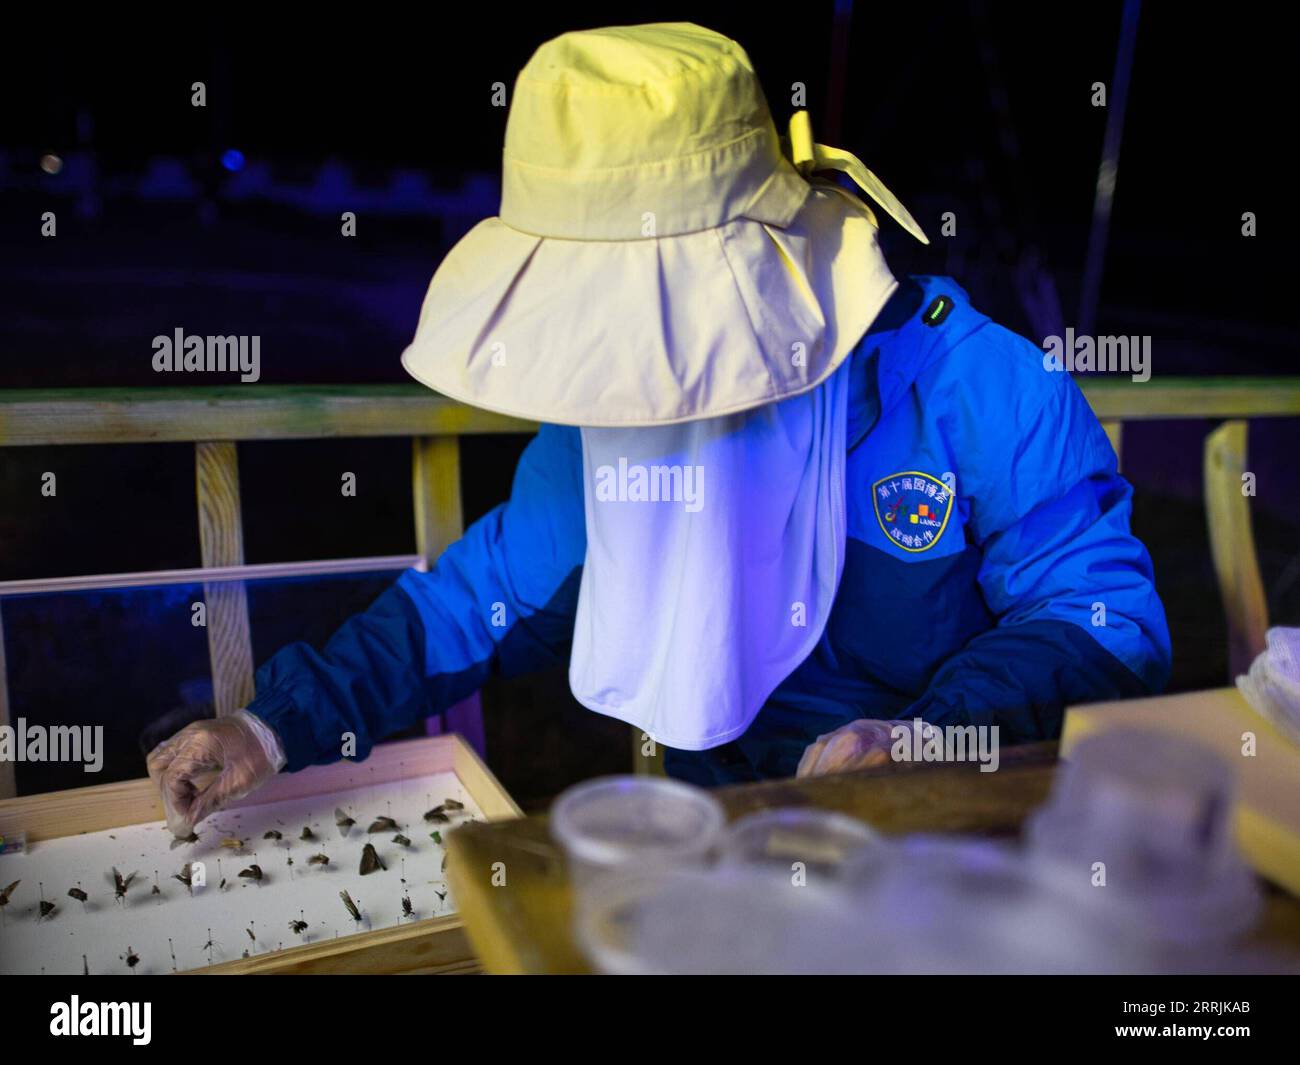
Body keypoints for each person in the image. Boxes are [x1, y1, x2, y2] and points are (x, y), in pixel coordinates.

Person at [149, 22, 1170, 835]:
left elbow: (1106, 621)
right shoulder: (613, 418)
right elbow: (482, 598)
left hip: (953, 832)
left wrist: (929, 738)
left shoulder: (976, 385)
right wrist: (269, 725)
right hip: (718, 834)